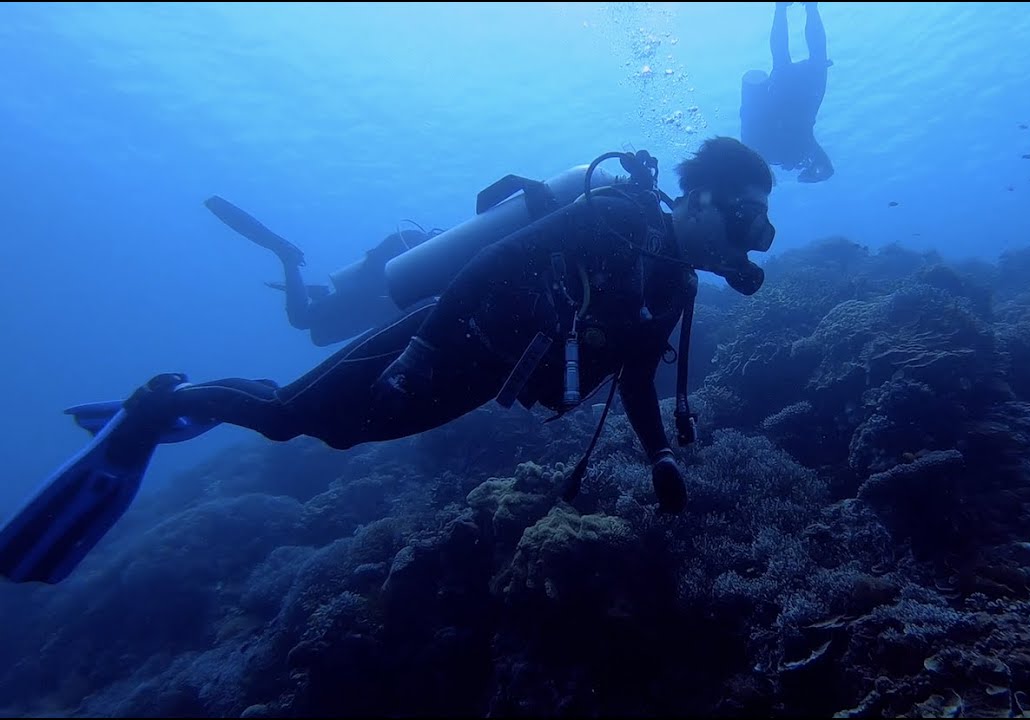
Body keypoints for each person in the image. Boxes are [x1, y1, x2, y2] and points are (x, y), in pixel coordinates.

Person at [0, 137, 776, 584]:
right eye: (744, 211)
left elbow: (637, 374)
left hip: (481, 379)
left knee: (337, 434)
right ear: (699, 198)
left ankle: (194, 405)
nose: (752, 233)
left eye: (761, 219)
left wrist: (659, 455)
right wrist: (419, 347)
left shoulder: (672, 282)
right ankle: (159, 403)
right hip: (439, 337)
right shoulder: (613, 216)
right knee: (285, 417)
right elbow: (484, 269)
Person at [204, 195, 446, 347]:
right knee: (302, 319)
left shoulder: (435, 254)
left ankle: (318, 292)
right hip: (372, 295)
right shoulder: (424, 247)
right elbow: (377, 259)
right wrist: (366, 286)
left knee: (319, 338)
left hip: (380, 307)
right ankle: (286, 255)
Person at [739, 2, 835, 183]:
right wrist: (812, 174)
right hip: (796, 99)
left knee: (810, 56)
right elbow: (826, 168)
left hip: (803, 99)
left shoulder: (798, 149)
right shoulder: (773, 152)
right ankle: (785, 8)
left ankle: (803, 8)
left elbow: (826, 168)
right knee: (783, 57)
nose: (792, 167)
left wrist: (812, 174)